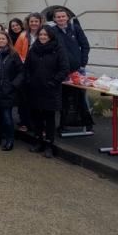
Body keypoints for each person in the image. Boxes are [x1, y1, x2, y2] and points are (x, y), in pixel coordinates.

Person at [24, 26, 70, 158]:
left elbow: (64, 69)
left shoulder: (58, 49)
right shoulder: (34, 49)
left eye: (45, 35)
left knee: (49, 119)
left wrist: (53, 82)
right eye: (41, 34)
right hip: (35, 89)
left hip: (50, 89)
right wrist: (29, 81)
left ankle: (49, 144)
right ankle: (39, 141)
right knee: (37, 117)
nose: (43, 37)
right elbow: (27, 67)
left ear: (51, 36)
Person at [50, 8, 94, 132]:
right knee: (64, 98)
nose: (61, 19)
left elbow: (85, 46)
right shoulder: (52, 31)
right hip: (62, 70)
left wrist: (83, 63)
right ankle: (63, 124)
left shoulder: (76, 29)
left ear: (67, 17)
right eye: (58, 17)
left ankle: (88, 124)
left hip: (77, 70)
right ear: (54, 19)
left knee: (82, 97)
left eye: (63, 16)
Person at [0, 31, 24, 150]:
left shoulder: (13, 54)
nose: (1, 40)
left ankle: (9, 140)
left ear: (7, 40)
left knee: (7, 117)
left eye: (3, 38)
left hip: (8, 90)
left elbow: (21, 72)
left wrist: (13, 85)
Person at [7, 17, 31, 133]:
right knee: (20, 99)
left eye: (17, 25)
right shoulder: (9, 38)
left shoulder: (26, 36)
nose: (15, 27)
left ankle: (27, 122)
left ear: (21, 25)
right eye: (13, 26)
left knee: (26, 99)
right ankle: (22, 121)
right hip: (15, 71)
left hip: (26, 69)